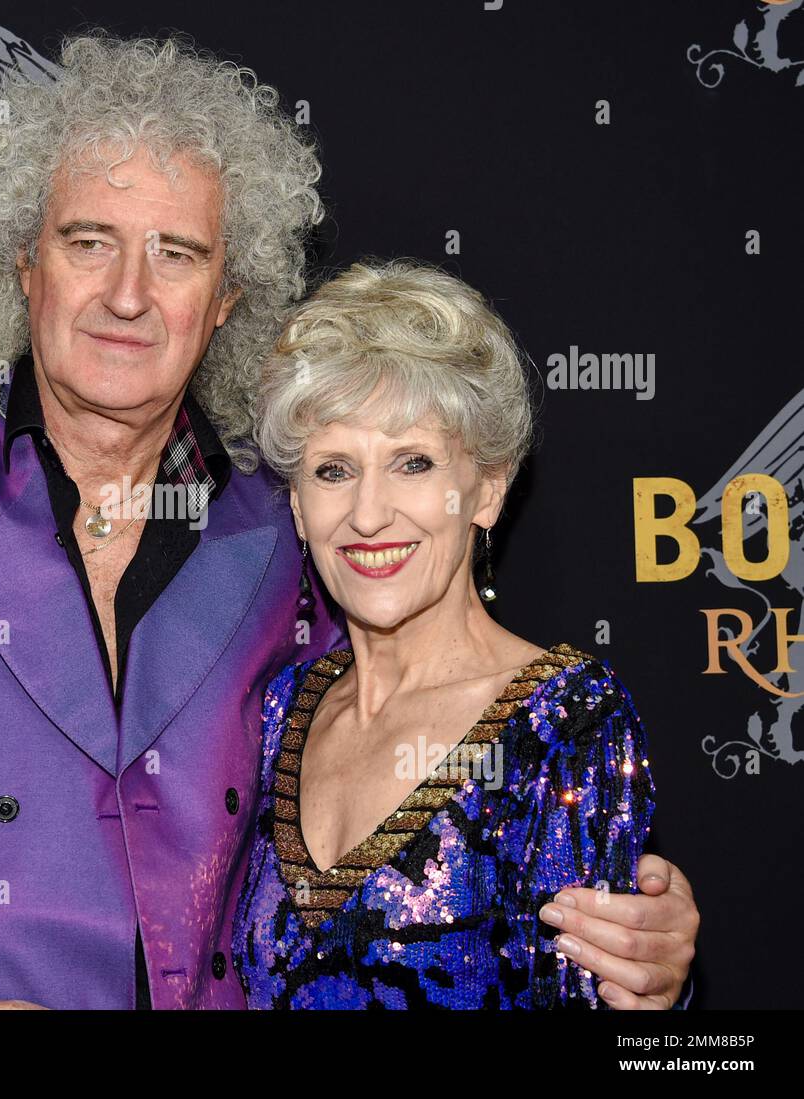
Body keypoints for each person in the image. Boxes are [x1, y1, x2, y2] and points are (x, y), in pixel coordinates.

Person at [0, 33, 697, 1010]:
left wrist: (641, 948)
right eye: (89, 241)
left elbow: (415, 866)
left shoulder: (301, 527)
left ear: (228, 296)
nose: (129, 295)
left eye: (177, 254)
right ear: (23, 261)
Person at [233, 258, 674, 1008]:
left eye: (412, 462)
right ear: (299, 508)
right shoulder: (280, 710)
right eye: (334, 470)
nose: (368, 514)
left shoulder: (564, 723)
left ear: (488, 487)